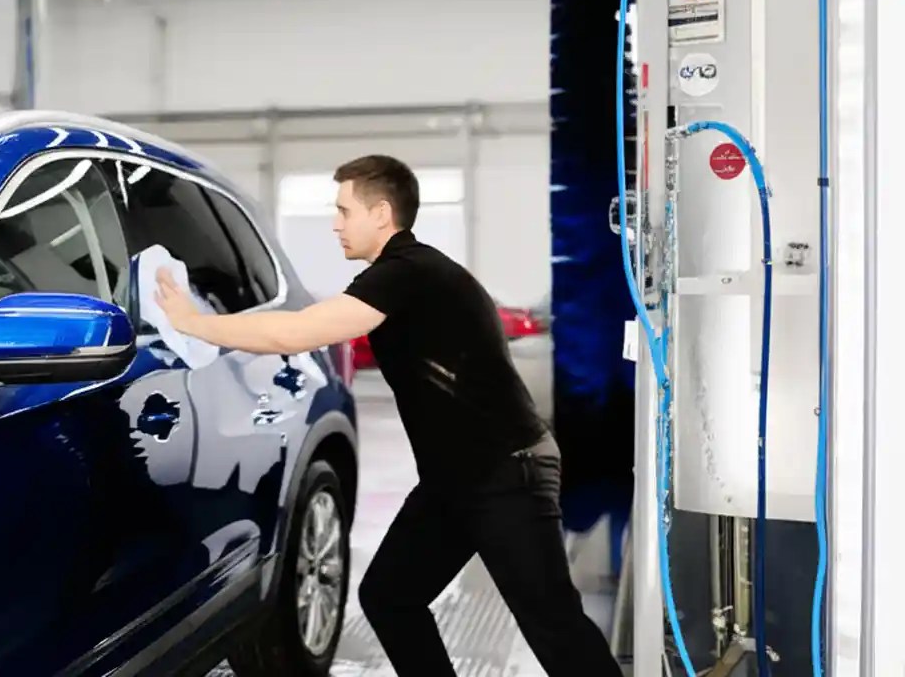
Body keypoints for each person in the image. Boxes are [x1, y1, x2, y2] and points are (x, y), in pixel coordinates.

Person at [154, 154, 622, 676]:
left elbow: (295, 334)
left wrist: (192, 322)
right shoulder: (410, 274)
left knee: (552, 624)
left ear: (381, 214)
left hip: (504, 474)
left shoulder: (407, 272)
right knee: (389, 596)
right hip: (457, 480)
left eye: (343, 210)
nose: (335, 223)